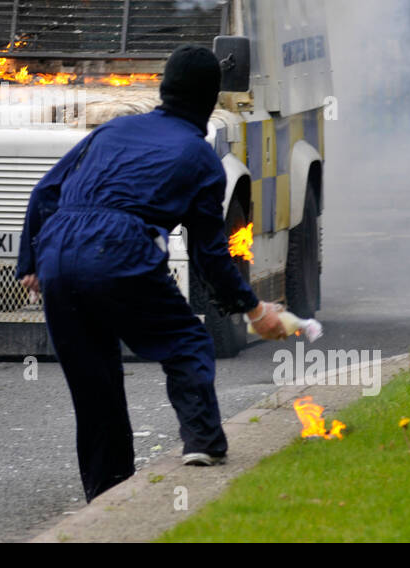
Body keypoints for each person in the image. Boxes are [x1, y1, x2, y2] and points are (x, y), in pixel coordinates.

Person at [16, 44, 288, 503]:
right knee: (187, 343)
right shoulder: (201, 159)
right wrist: (254, 309)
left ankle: (106, 499)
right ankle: (202, 443)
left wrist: (30, 263)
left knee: (95, 388)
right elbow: (209, 256)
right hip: (120, 246)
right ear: (211, 99)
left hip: (58, 251)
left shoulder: (114, 129)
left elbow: (45, 191)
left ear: (164, 88)